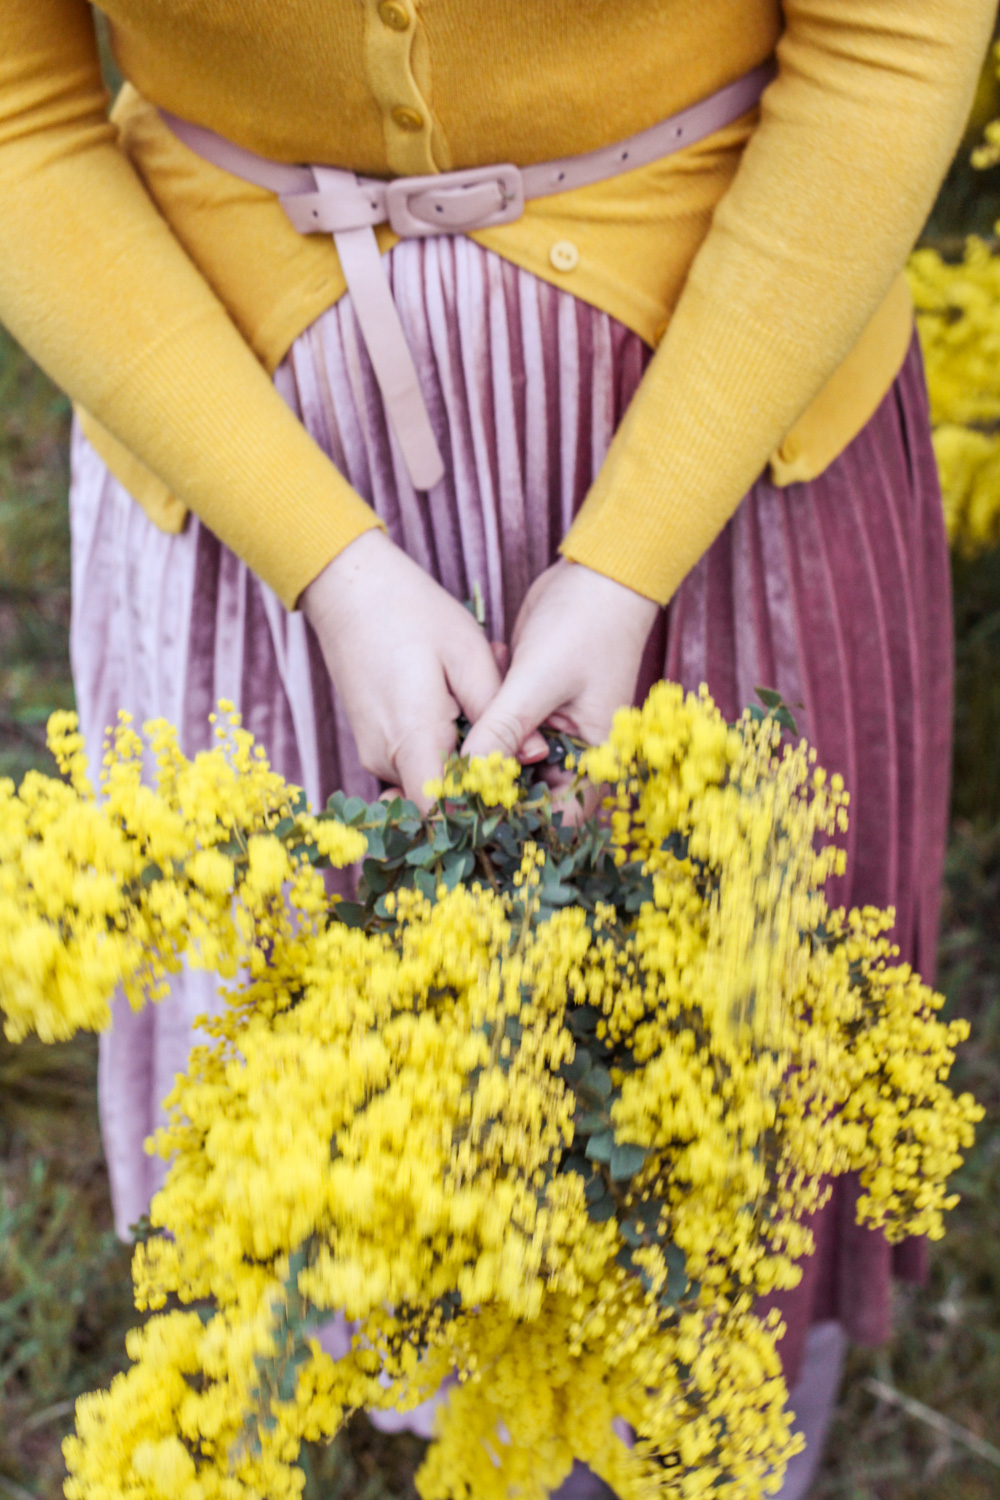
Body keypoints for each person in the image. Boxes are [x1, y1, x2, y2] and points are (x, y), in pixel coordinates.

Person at [0, 3, 994, 1494]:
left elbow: (893, 37)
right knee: (312, 1032)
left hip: (729, 383)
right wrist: (323, 560)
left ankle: (713, 1388)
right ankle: (404, 1347)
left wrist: (631, 555)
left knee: (740, 1041)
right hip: (238, 414)